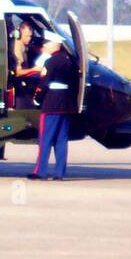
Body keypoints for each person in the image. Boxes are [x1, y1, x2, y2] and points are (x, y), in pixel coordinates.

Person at [30, 33, 79, 180]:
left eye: (47, 43)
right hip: (66, 103)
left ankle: (40, 171)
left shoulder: (51, 62)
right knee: (61, 140)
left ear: (54, 44)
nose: (44, 45)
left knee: (45, 138)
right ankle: (59, 173)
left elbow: (44, 83)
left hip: (51, 103)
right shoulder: (70, 61)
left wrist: (37, 99)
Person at [10, 20, 41, 107]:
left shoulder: (24, 46)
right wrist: (35, 69)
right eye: (26, 36)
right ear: (19, 34)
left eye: (31, 36)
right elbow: (18, 72)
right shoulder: (17, 47)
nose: (29, 39)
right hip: (19, 86)